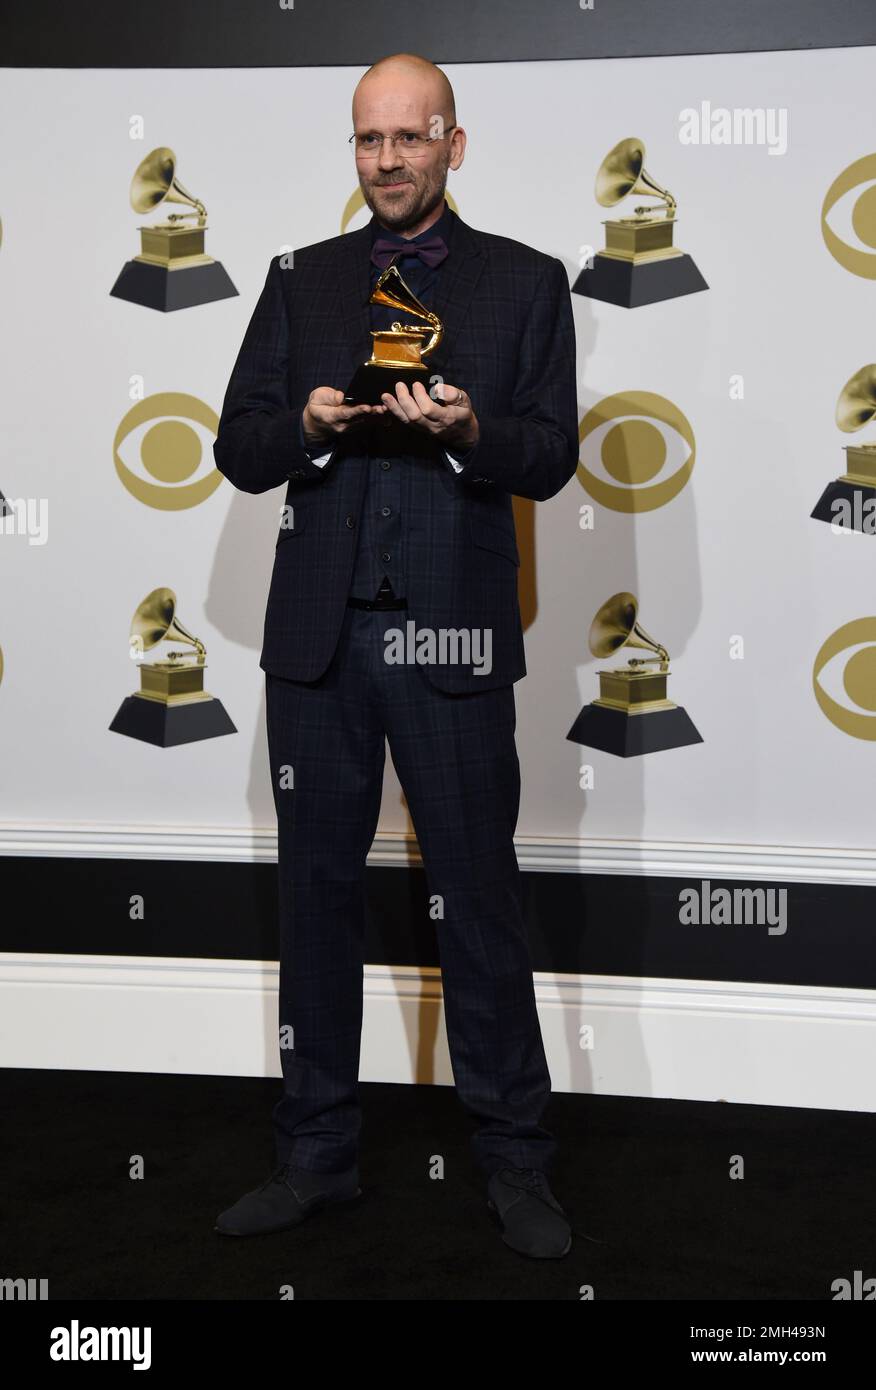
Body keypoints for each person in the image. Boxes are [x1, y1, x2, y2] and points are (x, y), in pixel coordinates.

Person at [212, 52, 579, 1259]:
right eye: (369, 141)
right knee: (314, 906)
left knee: (477, 903)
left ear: (452, 146)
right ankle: (314, 1157)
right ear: (354, 149)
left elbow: (549, 456)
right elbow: (239, 445)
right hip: (316, 643)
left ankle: (515, 1165)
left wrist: (472, 429)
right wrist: (307, 429)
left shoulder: (526, 284)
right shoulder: (296, 278)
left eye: (410, 139)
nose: (388, 161)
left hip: (455, 638)